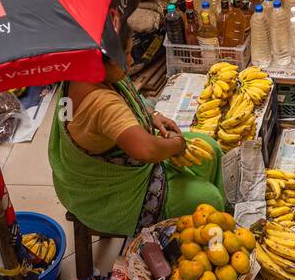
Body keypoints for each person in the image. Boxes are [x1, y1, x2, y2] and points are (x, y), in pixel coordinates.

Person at [48, 22, 227, 236]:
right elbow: (148, 150)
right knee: (207, 198)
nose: (131, 60)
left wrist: (152, 115)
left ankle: (216, 209)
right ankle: (209, 238)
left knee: (210, 148)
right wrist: (177, 144)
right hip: (105, 199)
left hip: (72, 180)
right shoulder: (102, 104)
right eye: (124, 55)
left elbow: (127, 104)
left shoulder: (78, 72)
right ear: (98, 61)